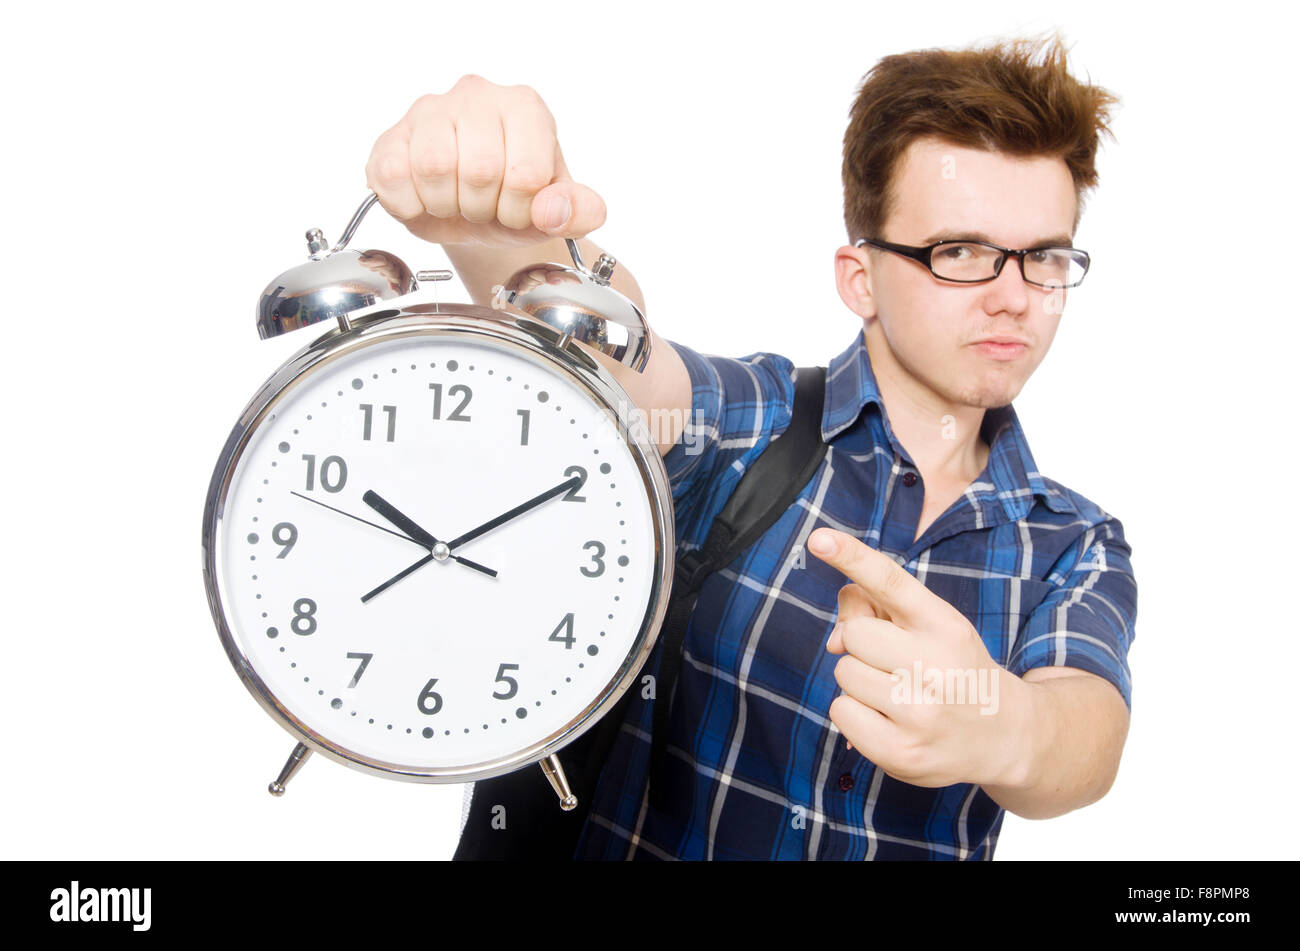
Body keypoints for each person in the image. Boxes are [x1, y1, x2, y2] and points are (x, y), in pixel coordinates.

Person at [365, 34, 1137, 860]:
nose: (1015, 297)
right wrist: (500, 234)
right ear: (859, 278)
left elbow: (1083, 735)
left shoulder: (1074, 541)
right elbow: (620, 362)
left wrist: (1005, 725)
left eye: (1045, 257)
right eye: (961, 253)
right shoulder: (747, 423)